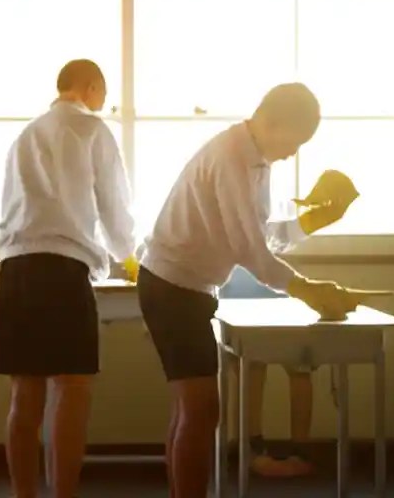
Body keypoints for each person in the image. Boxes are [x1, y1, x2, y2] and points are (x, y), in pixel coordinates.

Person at [135, 82, 366, 498]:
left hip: (183, 286)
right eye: (294, 142)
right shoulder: (231, 157)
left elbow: (258, 238)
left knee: (192, 409)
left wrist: (313, 222)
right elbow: (247, 248)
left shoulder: (255, 160)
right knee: (202, 409)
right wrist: (306, 289)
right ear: (272, 121)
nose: (294, 153)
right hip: (173, 286)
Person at [0, 59, 137, 498]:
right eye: (104, 95)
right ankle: (64, 495)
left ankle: (23, 495)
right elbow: (114, 205)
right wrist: (129, 259)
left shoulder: (24, 136)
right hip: (63, 266)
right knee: (72, 389)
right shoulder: (92, 130)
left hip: (15, 266)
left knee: (25, 393)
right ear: (91, 87)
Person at [219, 265, 317, 478]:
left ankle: (298, 450)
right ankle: (253, 449)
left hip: (277, 294)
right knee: (251, 367)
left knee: (299, 364)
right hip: (237, 298)